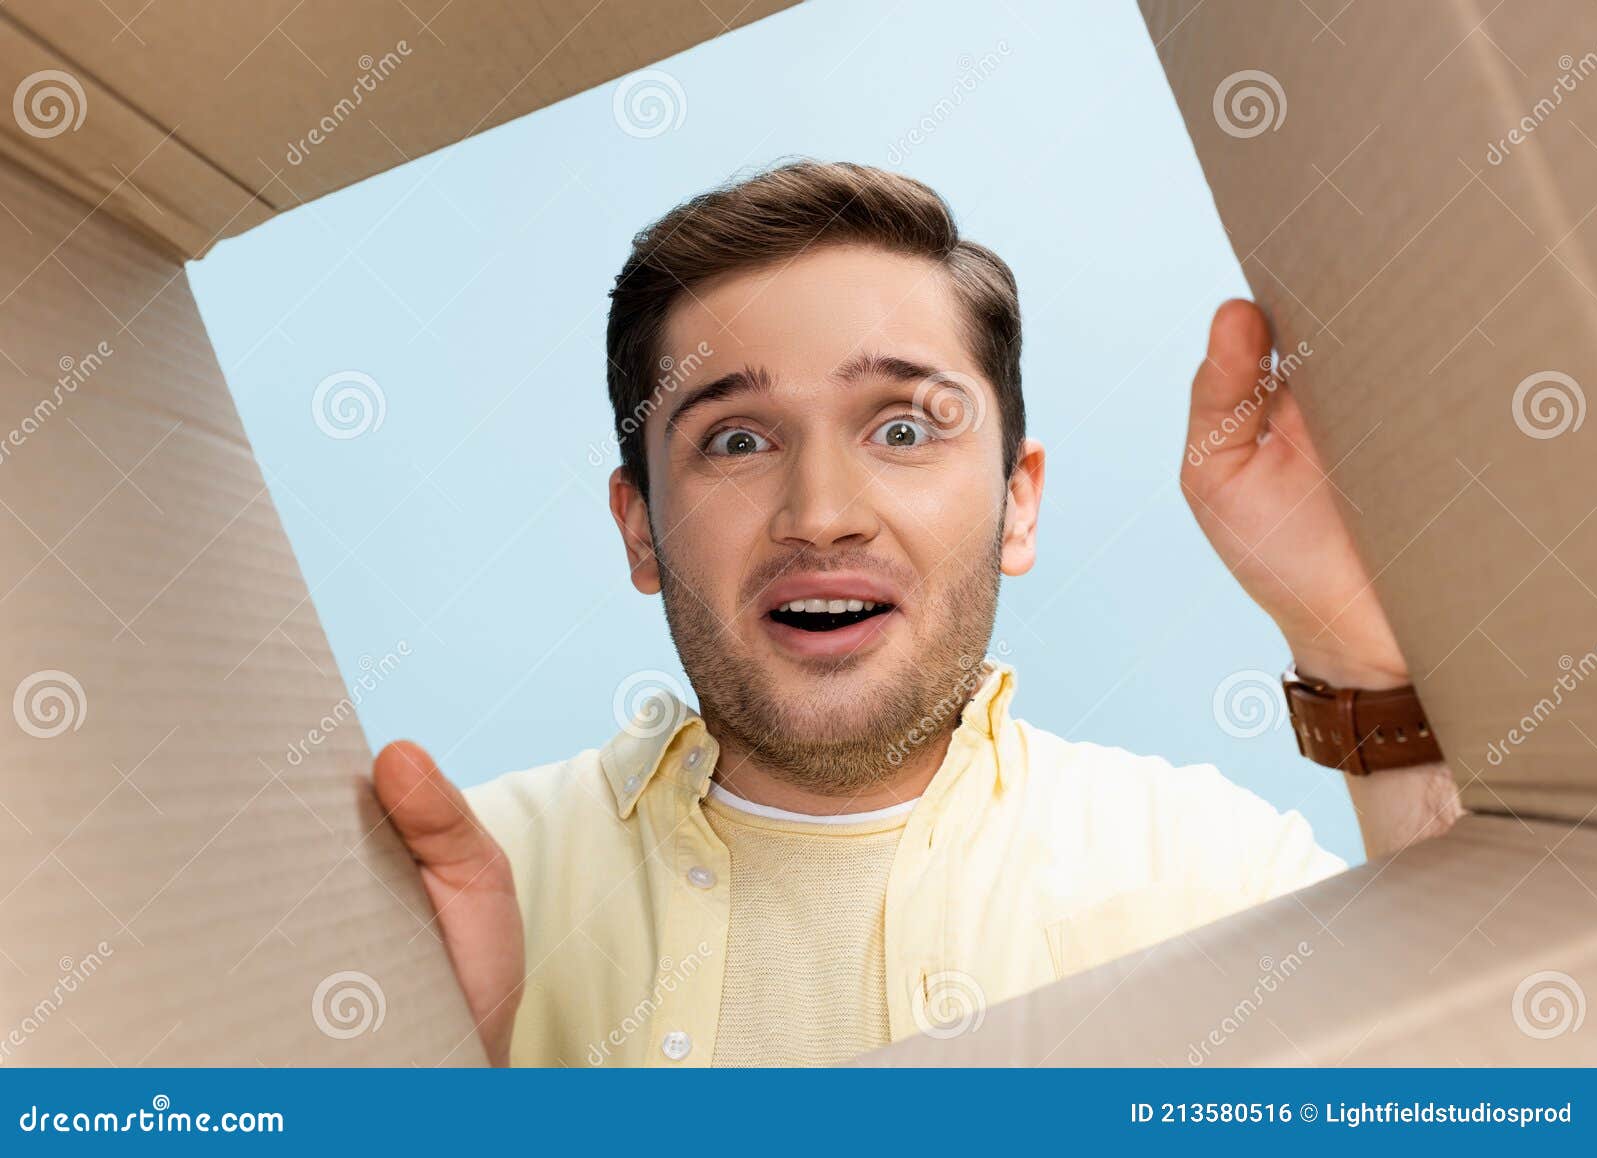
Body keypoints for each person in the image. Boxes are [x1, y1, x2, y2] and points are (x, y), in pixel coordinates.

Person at [369, 161, 1463, 1067]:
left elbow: (1497, 1079)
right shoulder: (448, 896)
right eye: (737, 440)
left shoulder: (1210, 868)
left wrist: (1351, 645)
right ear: (641, 529)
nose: (821, 514)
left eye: (902, 428)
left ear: (1017, 502)